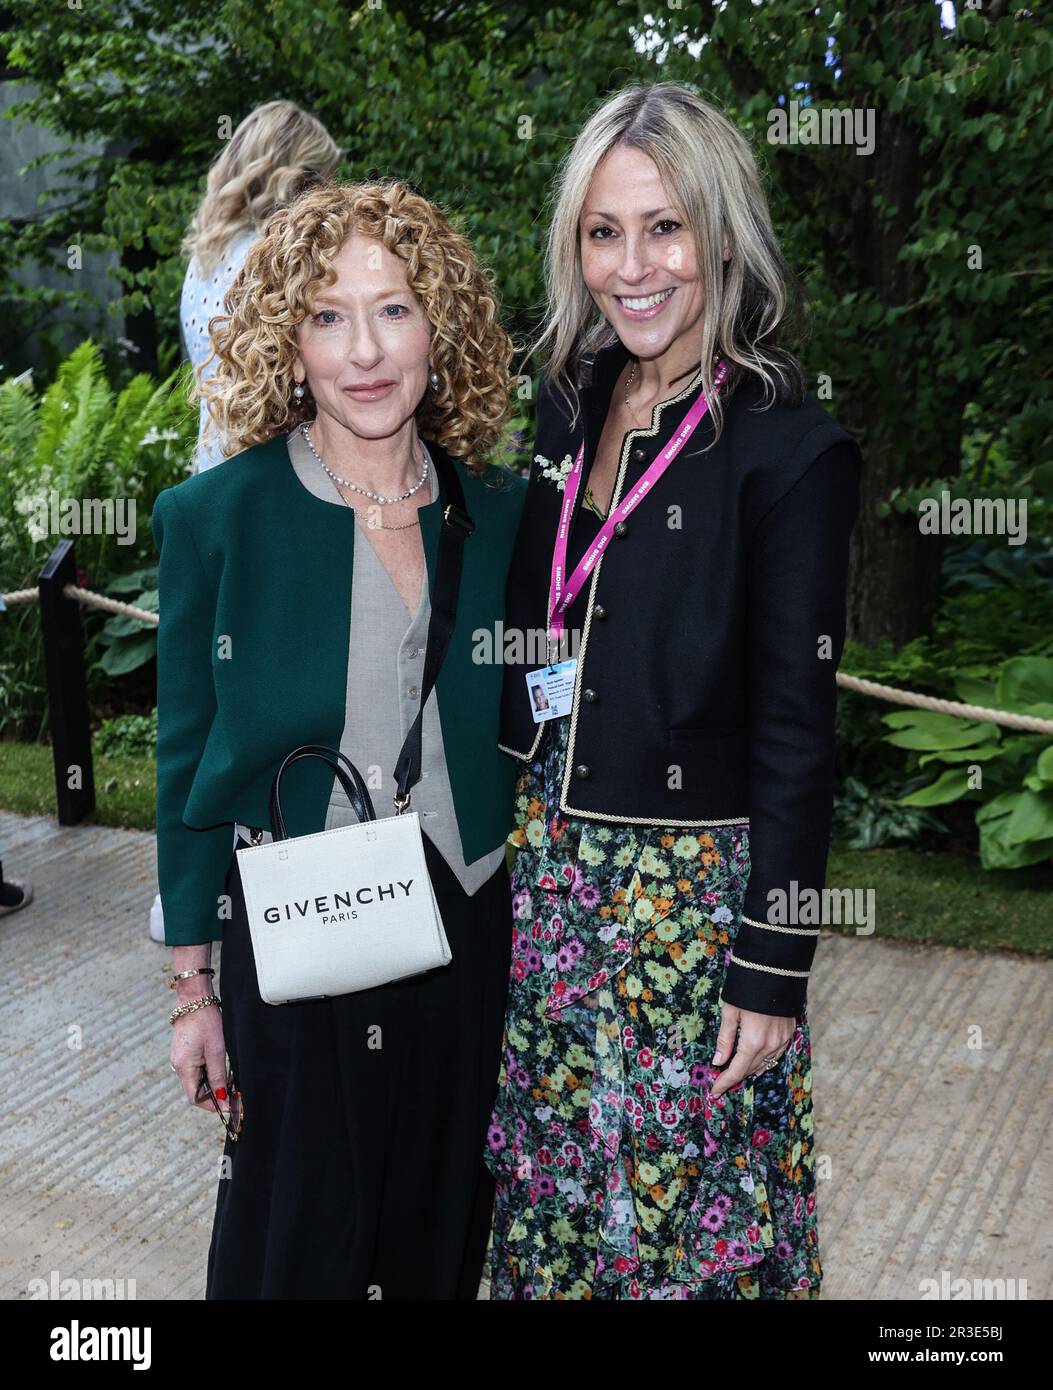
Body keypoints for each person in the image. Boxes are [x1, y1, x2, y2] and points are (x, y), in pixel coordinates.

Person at [486, 81, 862, 1299]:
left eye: (666, 227)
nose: (632, 266)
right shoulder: (569, 396)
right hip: (553, 882)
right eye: (604, 232)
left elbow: (802, 723)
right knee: (557, 1211)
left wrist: (774, 957)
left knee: (684, 1234)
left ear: (723, 232)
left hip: (688, 915)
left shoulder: (789, 448)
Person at [153, 179, 526, 1298]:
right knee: (297, 1238)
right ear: (289, 339)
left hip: (468, 928)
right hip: (300, 938)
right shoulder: (217, 519)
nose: (365, 349)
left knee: (439, 1232)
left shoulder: (502, 513)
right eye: (328, 315)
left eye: (395, 308)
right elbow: (184, 761)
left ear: (438, 327)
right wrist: (192, 991)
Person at [149, 102, 341, 945]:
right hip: (271, 482)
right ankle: (281, 873)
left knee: (214, 695)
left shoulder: (202, 258)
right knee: (275, 688)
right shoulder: (284, 258)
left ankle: (194, 887)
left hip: (210, 479)